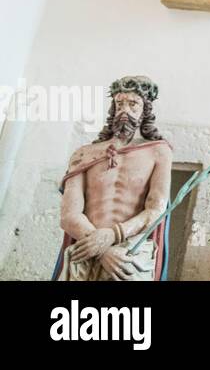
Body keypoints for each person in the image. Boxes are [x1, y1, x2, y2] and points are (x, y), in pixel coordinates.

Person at [56, 76, 171, 281]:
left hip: (130, 255)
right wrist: (101, 249)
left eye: (133, 103)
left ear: (145, 109)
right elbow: (68, 215)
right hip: (86, 248)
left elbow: (156, 209)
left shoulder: (159, 152)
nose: (124, 110)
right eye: (119, 103)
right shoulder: (85, 154)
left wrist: (112, 235)